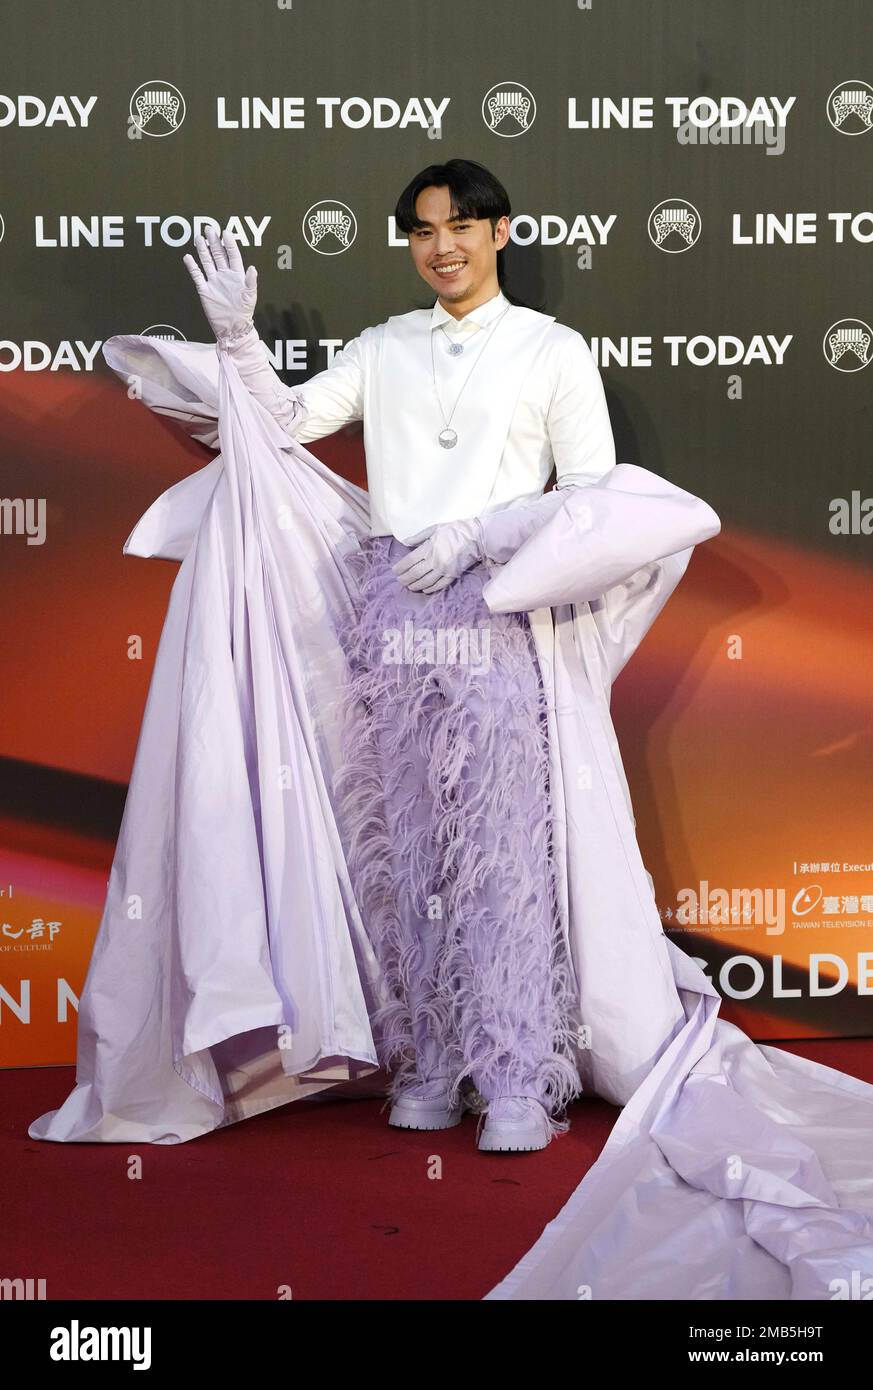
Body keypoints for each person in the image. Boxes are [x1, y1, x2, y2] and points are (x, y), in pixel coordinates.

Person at [181, 158, 618, 1152]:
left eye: (462, 225)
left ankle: (514, 1075)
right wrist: (240, 340)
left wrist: (478, 535)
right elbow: (287, 425)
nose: (443, 246)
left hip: (497, 612)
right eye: (424, 230)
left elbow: (593, 491)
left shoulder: (553, 351)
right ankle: (429, 1055)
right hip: (393, 613)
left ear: (500, 232)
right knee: (412, 852)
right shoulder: (386, 348)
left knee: (499, 848)